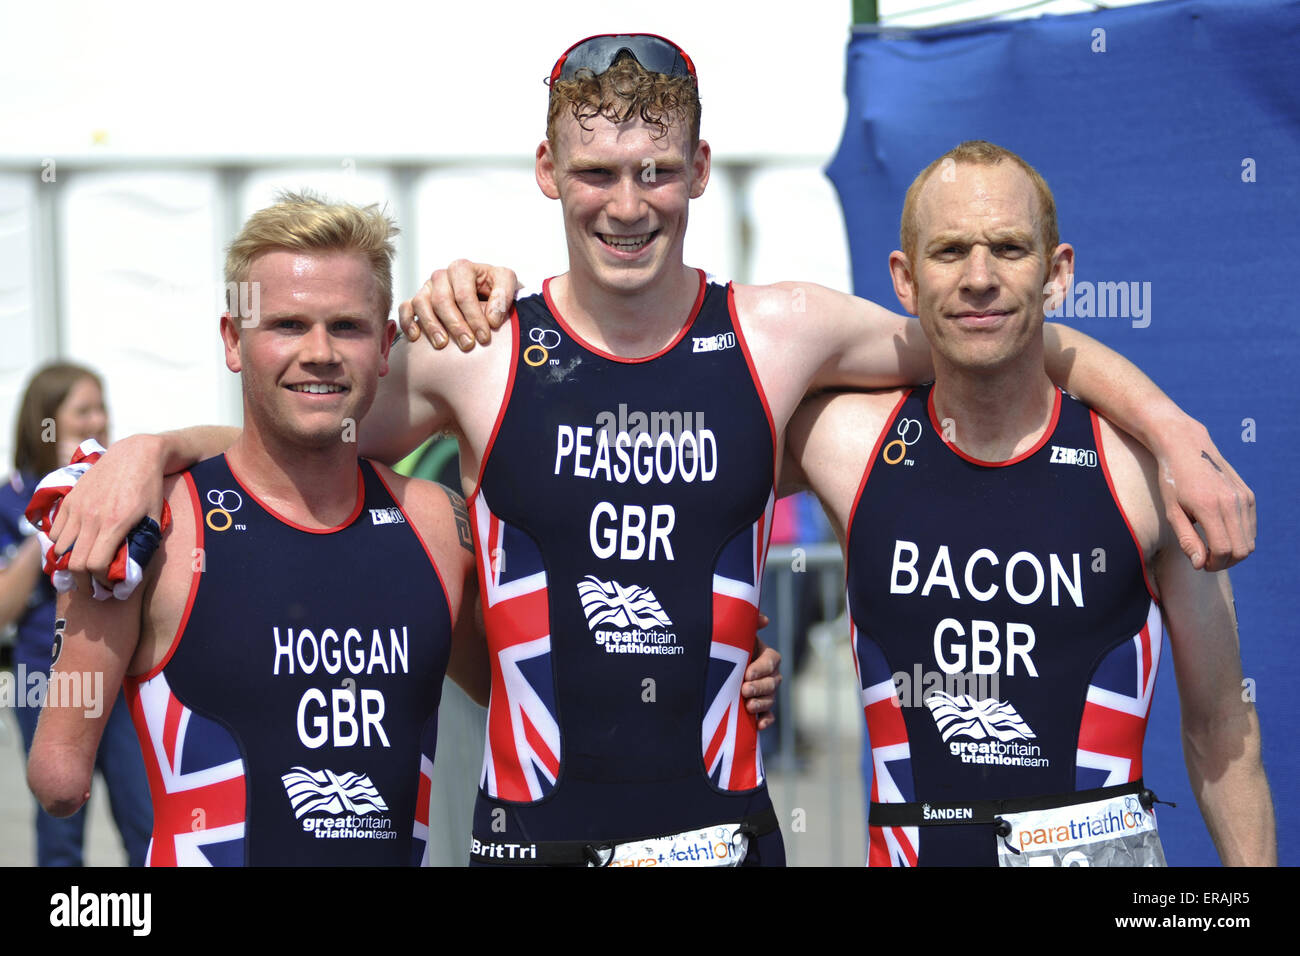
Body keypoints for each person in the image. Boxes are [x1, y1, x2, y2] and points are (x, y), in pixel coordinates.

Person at [44, 36, 1253, 866]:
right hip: (535, 841)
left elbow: (991, 331)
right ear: (547, 174)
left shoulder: (777, 333)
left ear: (699, 174)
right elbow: (297, 431)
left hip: (725, 840)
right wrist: (143, 450)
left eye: (657, 173)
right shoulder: (480, 350)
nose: (628, 204)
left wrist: (1172, 430)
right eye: (598, 174)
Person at [781, 141, 1275, 866]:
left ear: (1059, 273)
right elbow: (689, 495)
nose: (979, 278)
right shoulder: (845, 444)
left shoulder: (1145, 474)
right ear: (905, 280)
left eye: (1009, 249)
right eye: (949, 251)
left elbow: (1222, 725)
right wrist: (733, 649)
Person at [27, 194, 495, 866]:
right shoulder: (150, 524)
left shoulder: (437, 525)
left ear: (387, 345)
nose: (319, 352)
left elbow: (533, 705)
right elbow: (59, 781)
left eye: (348, 326)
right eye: (286, 324)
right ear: (231, 340)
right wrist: (83, 598)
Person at [1, 363, 152, 866]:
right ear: (46, 420)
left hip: (119, 666)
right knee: (60, 823)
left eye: (101, 406)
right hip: (45, 673)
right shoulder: (12, 499)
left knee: (144, 816)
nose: (99, 419)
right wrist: (45, 526)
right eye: (83, 410)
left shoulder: (119, 487)